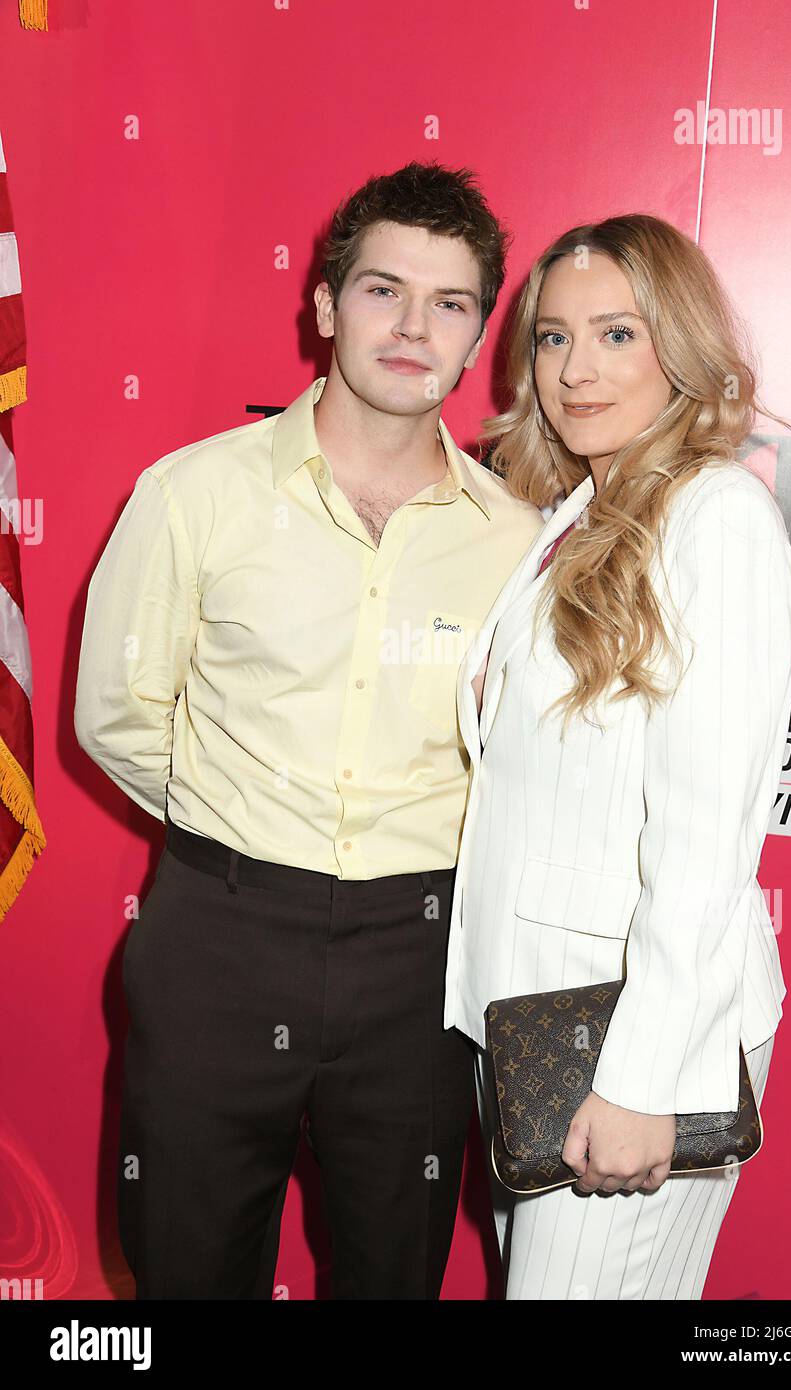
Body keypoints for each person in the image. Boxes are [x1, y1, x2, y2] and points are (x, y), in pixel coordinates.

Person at [73, 160, 544, 1299]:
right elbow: (115, 716)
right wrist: (251, 833)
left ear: (479, 337)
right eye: (383, 291)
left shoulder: (517, 537)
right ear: (326, 306)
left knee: (394, 1275)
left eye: (448, 304)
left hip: (419, 966)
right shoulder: (193, 494)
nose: (411, 326)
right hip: (218, 940)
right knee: (181, 1269)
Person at [443, 213, 791, 1300]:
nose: (575, 369)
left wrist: (646, 1077)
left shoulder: (716, 519)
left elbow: (706, 836)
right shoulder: (575, 515)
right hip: (537, 1033)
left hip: (628, 1045)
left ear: (680, 349)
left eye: (614, 334)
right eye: (552, 339)